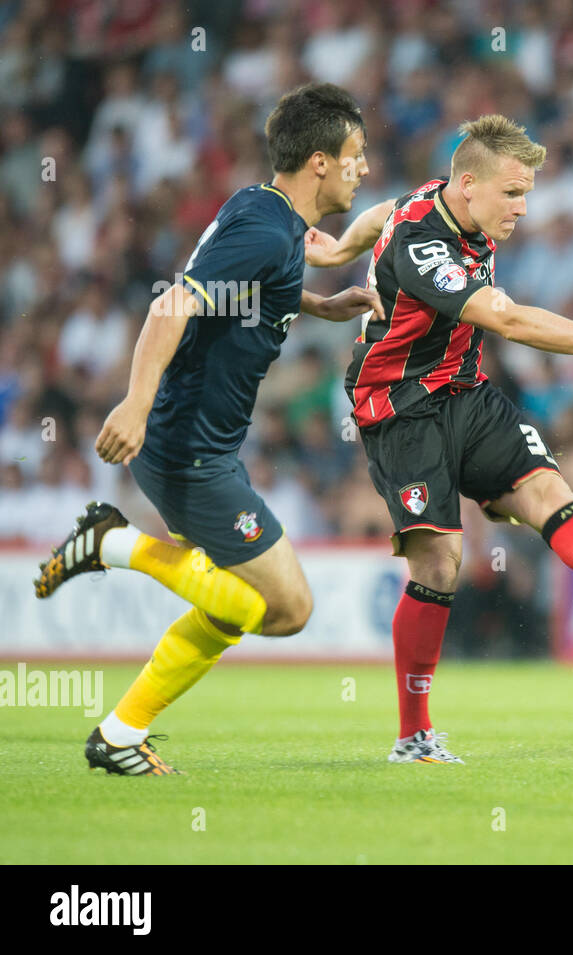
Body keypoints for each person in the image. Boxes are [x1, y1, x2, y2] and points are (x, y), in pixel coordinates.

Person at [322, 115, 573, 764]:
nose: (523, 208)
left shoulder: (442, 199)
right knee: (439, 564)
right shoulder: (426, 244)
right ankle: (412, 734)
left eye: (529, 192)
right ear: (469, 183)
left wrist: (338, 248)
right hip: (399, 408)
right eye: (513, 193)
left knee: (547, 491)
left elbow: (379, 213)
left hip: (466, 394)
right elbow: (502, 316)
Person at [33, 83, 390, 774]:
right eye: (355, 155)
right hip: (189, 450)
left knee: (229, 608)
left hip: (200, 446)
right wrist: (134, 403)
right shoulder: (264, 228)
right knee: (287, 607)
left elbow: (272, 271)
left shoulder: (264, 211)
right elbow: (171, 307)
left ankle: (117, 733)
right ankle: (114, 543)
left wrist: (322, 304)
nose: (364, 167)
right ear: (319, 162)